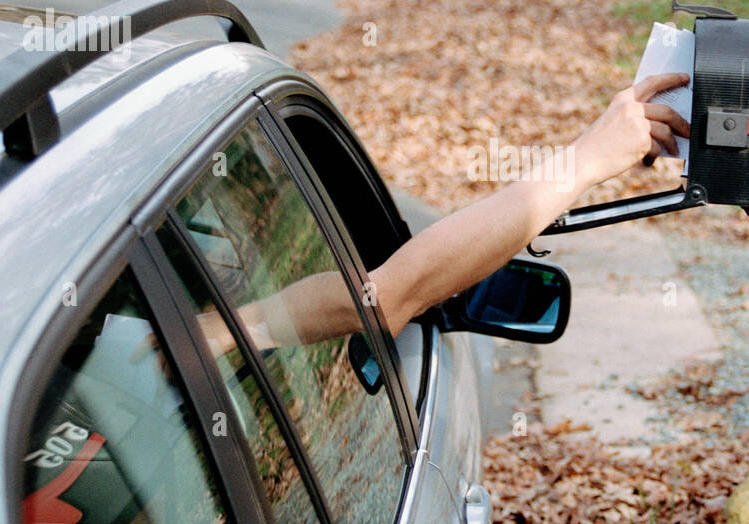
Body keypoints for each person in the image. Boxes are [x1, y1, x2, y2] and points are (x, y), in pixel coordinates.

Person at [197, 72, 691, 356]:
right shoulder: (158, 354)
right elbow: (384, 300)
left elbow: (378, 300)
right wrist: (584, 162)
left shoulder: (146, 350)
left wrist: (223, 329)